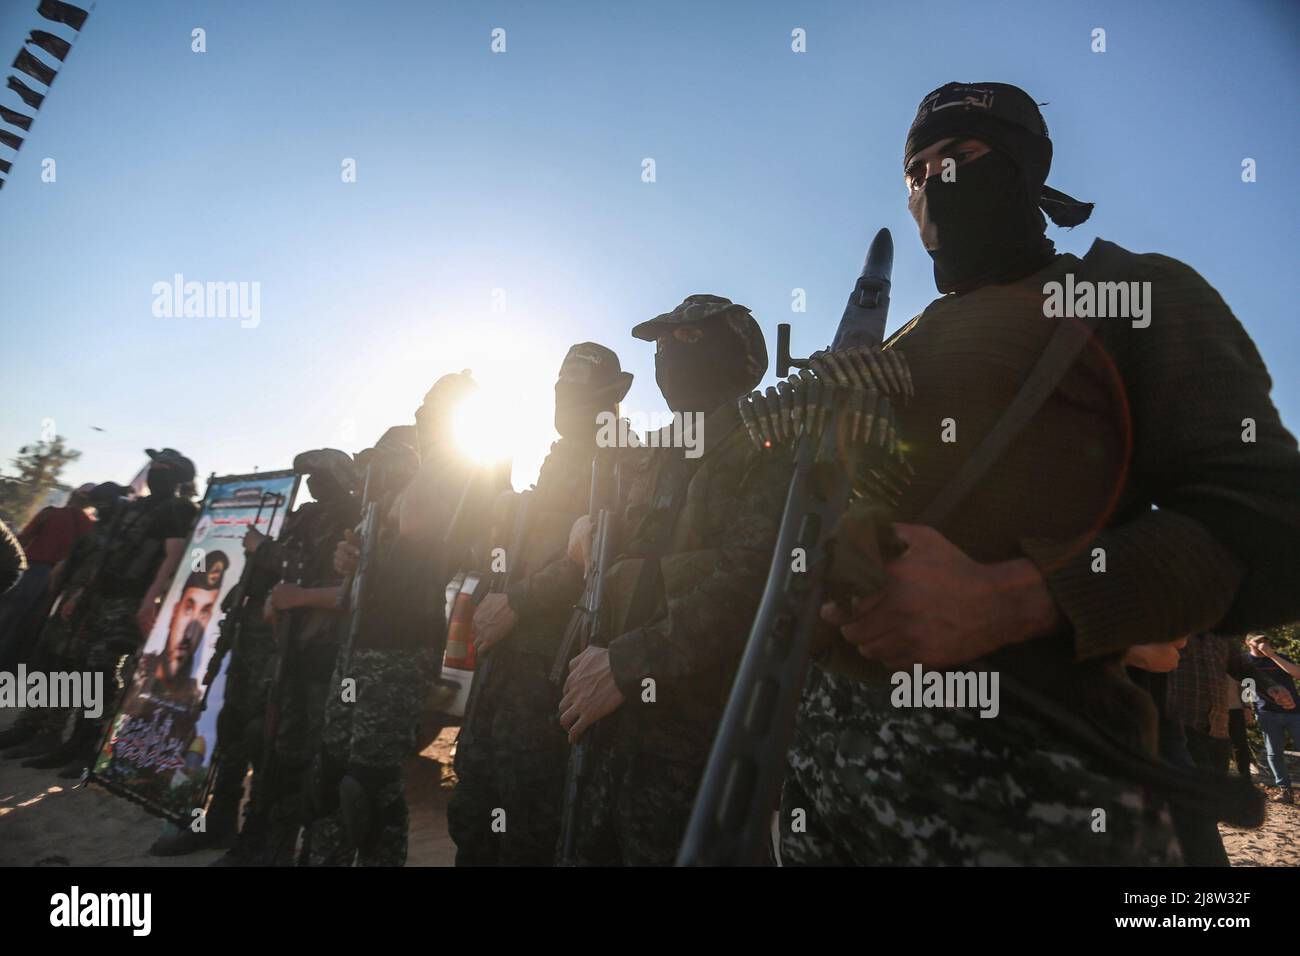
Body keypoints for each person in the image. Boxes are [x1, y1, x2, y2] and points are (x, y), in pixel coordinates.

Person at [780, 81, 1300, 866]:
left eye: (957, 158)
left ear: (1022, 171)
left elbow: (1270, 517)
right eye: (914, 172)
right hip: (823, 783)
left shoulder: (1128, 292)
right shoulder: (903, 338)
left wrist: (1019, 598)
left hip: (1021, 800)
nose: (929, 185)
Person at [557, 294, 787, 865]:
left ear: (738, 351)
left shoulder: (766, 442)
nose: (666, 355)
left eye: (686, 340)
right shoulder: (649, 453)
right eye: (660, 343)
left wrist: (633, 662)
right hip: (609, 721)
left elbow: (756, 582)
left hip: (698, 733)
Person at [448, 343, 633, 865]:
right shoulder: (558, 460)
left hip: (552, 667)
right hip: (506, 662)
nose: (563, 400)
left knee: (530, 820)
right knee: (474, 805)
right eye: (559, 389)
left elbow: (599, 556)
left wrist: (519, 602)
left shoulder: (619, 461)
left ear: (609, 397)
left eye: (576, 392)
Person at [310, 376, 504, 866]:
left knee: (368, 787)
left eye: (435, 410)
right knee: (331, 777)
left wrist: (428, 449)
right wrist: (347, 556)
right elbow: (354, 563)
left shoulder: (455, 479)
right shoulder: (387, 495)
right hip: (357, 645)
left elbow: (419, 520)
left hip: (400, 652)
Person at [34, 449, 198, 778]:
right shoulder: (136, 507)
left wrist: (150, 599)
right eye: (155, 465)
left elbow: (172, 557)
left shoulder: (178, 510)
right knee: (84, 667)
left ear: (177, 476)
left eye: (163, 467)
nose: (155, 471)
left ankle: (92, 747)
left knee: (103, 669)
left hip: (131, 600)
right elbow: (109, 553)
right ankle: (75, 741)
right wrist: (82, 594)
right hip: (102, 596)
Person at [0, 483, 125, 758]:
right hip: (62, 595)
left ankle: (55, 733)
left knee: (72, 669)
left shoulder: (111, 534)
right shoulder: (93, 528)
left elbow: (94, 571)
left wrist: (74, 594)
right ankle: (33, 724)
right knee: (50, 660)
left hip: (84, 606)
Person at [0, 483, 95, 669]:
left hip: (28, 572)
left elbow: (23, 539)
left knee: (8, 614)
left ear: (74, 495)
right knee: (33, 623)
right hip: (57, 581)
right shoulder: (90, 527)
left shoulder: (50, 513)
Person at [1241, 634, 1300, 805]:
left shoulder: (1280, 657)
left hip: (1294, 711)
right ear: (1248, 642)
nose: (1262, 643)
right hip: (1266, 713)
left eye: (1265, 640)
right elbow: (1246, 686)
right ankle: (1285, 791)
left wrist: (1272, 655)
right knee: (1274, 753)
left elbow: (1297, 674)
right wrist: (1246, 708)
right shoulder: (1244, 661)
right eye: (1258, 640)